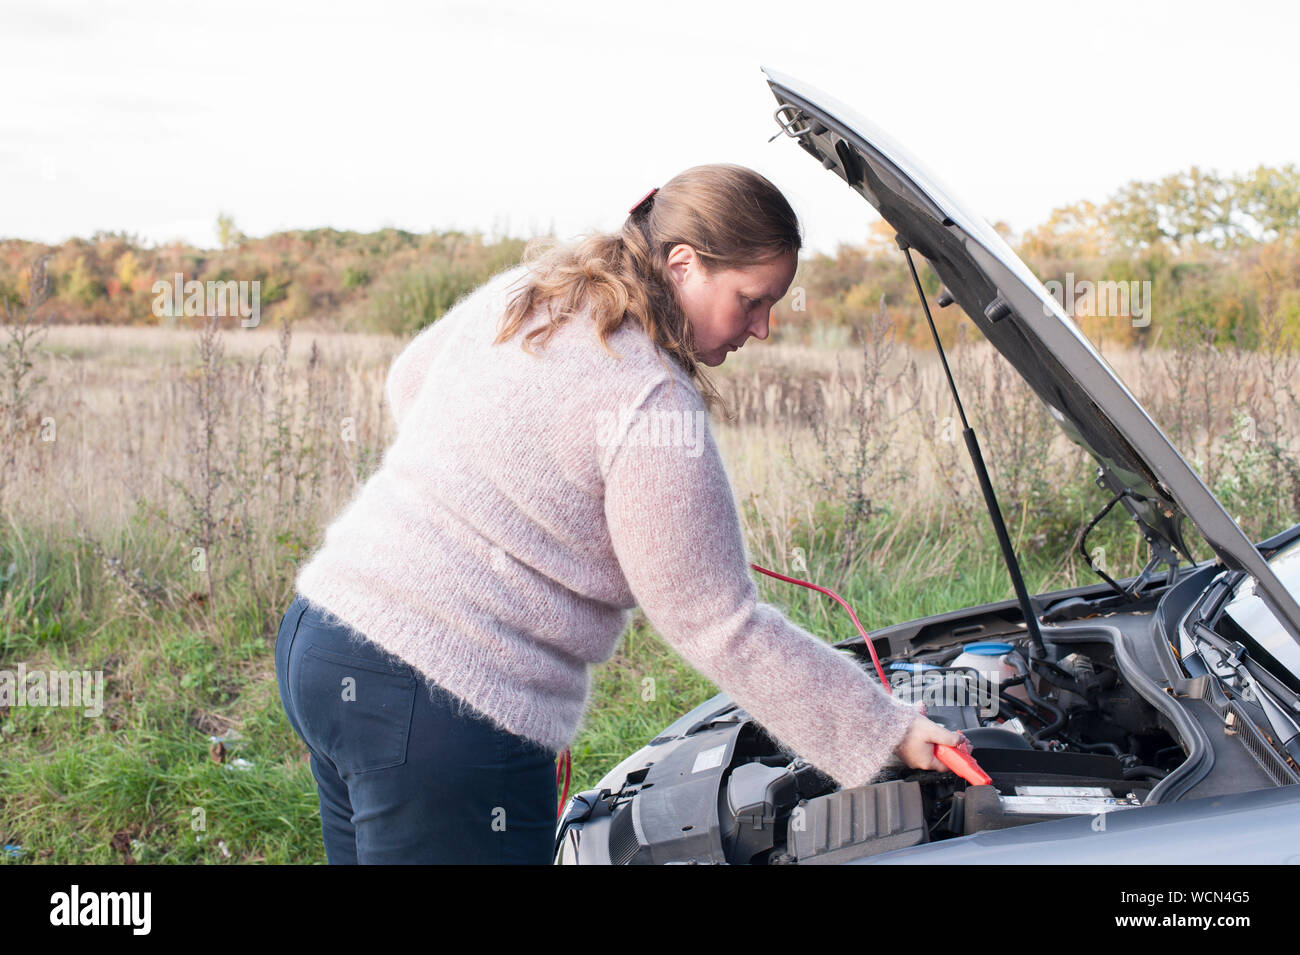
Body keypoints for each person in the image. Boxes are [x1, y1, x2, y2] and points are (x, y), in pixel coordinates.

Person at [274, 163, 962, 865]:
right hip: (442, 705)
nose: (762, 327)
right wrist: (886, 730)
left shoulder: (536, 290)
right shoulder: (651, 398)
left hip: (326, 644)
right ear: (684, 264)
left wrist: (513, 495)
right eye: (750, 300)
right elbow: (718, 623)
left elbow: (410, 379)